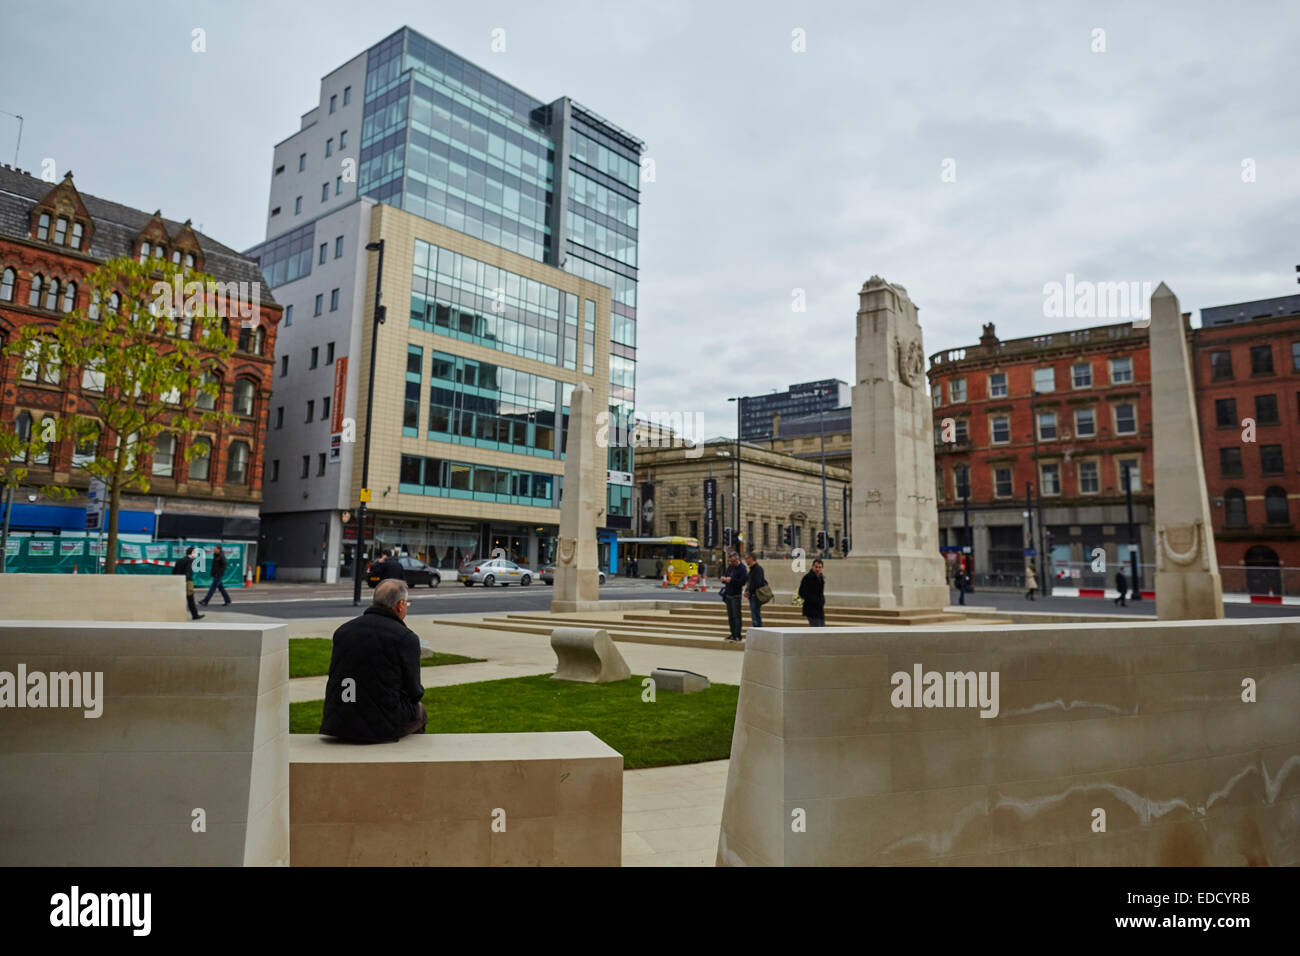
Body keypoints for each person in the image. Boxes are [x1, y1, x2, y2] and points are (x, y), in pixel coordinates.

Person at [320, 579, 427, 743]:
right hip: (381, 727)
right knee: (419, 711)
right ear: (400, 605)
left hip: (338, 722)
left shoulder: (343, 631)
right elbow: (415, 691)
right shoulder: (405, 638)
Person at [719, 551, 747, 642]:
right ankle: (732, 634)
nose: (731, 563)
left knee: (736, 616)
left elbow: (742, 582)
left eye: (733, 561)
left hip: (736, 595)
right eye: (730, 561)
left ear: (737, 560)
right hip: (728, 594)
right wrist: (724, 579)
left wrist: (731, 580)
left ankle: (737, 635)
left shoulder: (742, 568)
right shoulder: (730, 567)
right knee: (730, 616)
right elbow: (726, 576)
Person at [172, 546, 204, 620]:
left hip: (177, 581)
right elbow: (188, 572)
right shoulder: (190, 561)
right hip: (187, 581)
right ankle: (195, 615)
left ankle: (175, 614)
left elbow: (174, 571)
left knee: (178, 599)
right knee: (190, 599)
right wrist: (187, 581)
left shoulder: (180, 560)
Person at [743, 552, 767, 631]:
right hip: (752, 595)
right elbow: (749, 582)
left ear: (751, 559)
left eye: (747, 559)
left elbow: (758, 583)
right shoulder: (752, 569)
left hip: (755, 596)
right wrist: (747, 590)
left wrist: (749, 591)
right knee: (754, 616)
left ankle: (759, 633)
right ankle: (757, 632)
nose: (746, 561)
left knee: (756, 616)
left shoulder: (758, 569)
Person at [798, 559, 826, 626]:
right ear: (812, 567)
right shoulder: (807, 577)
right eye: (816, 567)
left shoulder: (821, 578)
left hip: (819, 608)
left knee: (822, 628)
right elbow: (801, 592)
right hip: (811, 608)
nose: (818, 569)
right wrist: (813, 600)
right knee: (816, 629)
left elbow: (820, 592)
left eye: (819, 567)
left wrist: (822, 600)